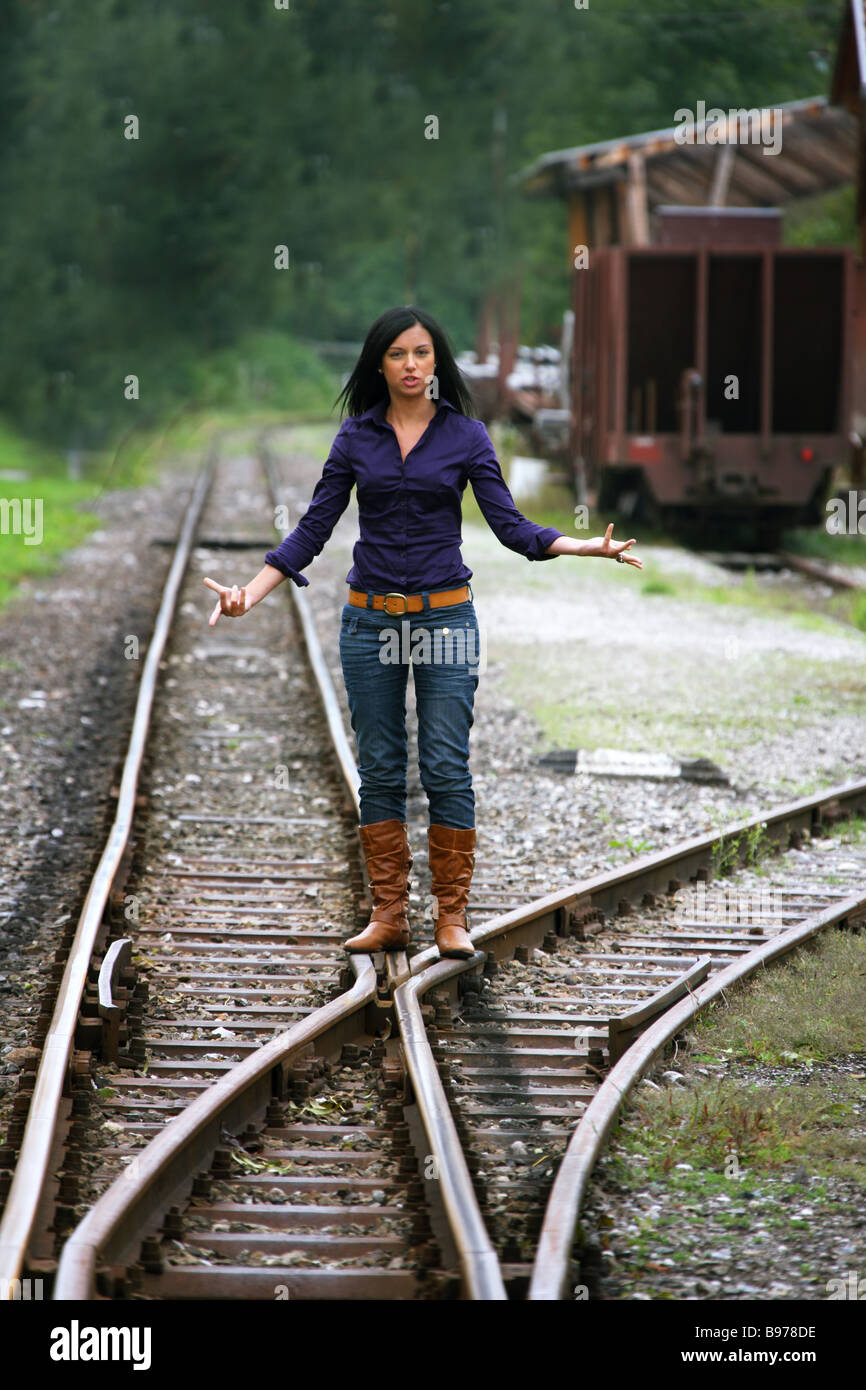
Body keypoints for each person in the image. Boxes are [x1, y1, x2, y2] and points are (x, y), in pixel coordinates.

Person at [203, 305, 642, 960]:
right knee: (379, 766)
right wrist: (249, 594)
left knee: (443, 761)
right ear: (379, 364)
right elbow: (313, 530)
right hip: (370, 618)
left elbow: (513, 528)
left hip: (444, 616)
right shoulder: (356, 438)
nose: (411, 365)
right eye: (398, 355)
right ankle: (388, 914)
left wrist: (582, 546)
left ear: (437, 362)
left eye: (422, 354)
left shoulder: (466, 436)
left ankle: (452, 918)